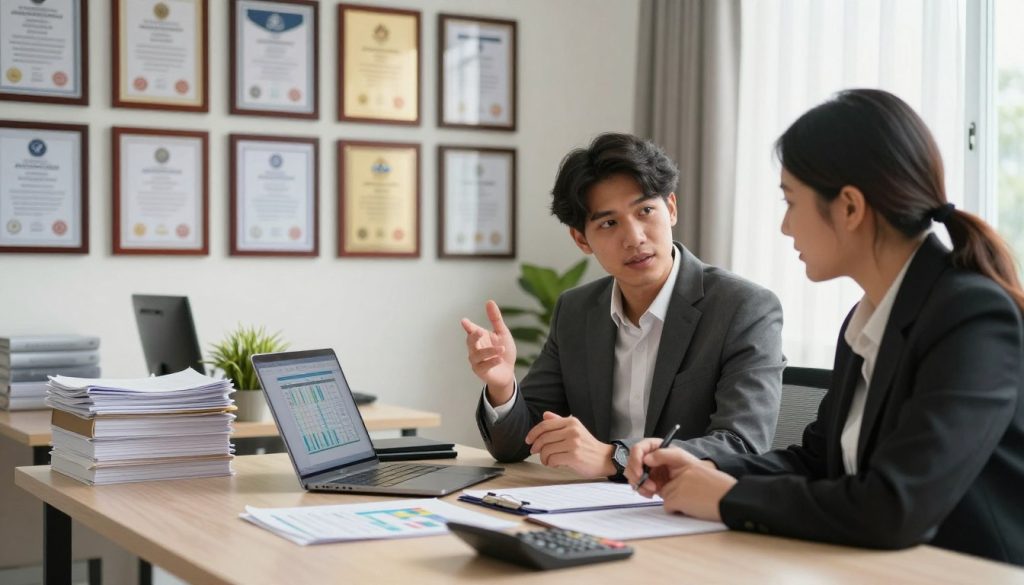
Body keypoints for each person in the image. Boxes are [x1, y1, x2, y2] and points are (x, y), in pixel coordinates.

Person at [626, 89, 1024, 565]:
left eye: (791, 202)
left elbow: (896, 506)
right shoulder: (868, 319)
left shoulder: (972, 317)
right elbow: (817, 462)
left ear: (850, 208)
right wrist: (707, 465)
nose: (785, 227)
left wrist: (727, 499)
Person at [461, 133, 785, 480]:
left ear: (671, 208)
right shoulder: (576, 310)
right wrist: (503, 386)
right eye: (609, 223)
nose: (634, 238)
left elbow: (742, 444)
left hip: (685, 511)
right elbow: (514, 445)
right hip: (591, 509)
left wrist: (614, 457)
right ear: (582, 239)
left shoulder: (743, 308)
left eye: (645, 211)